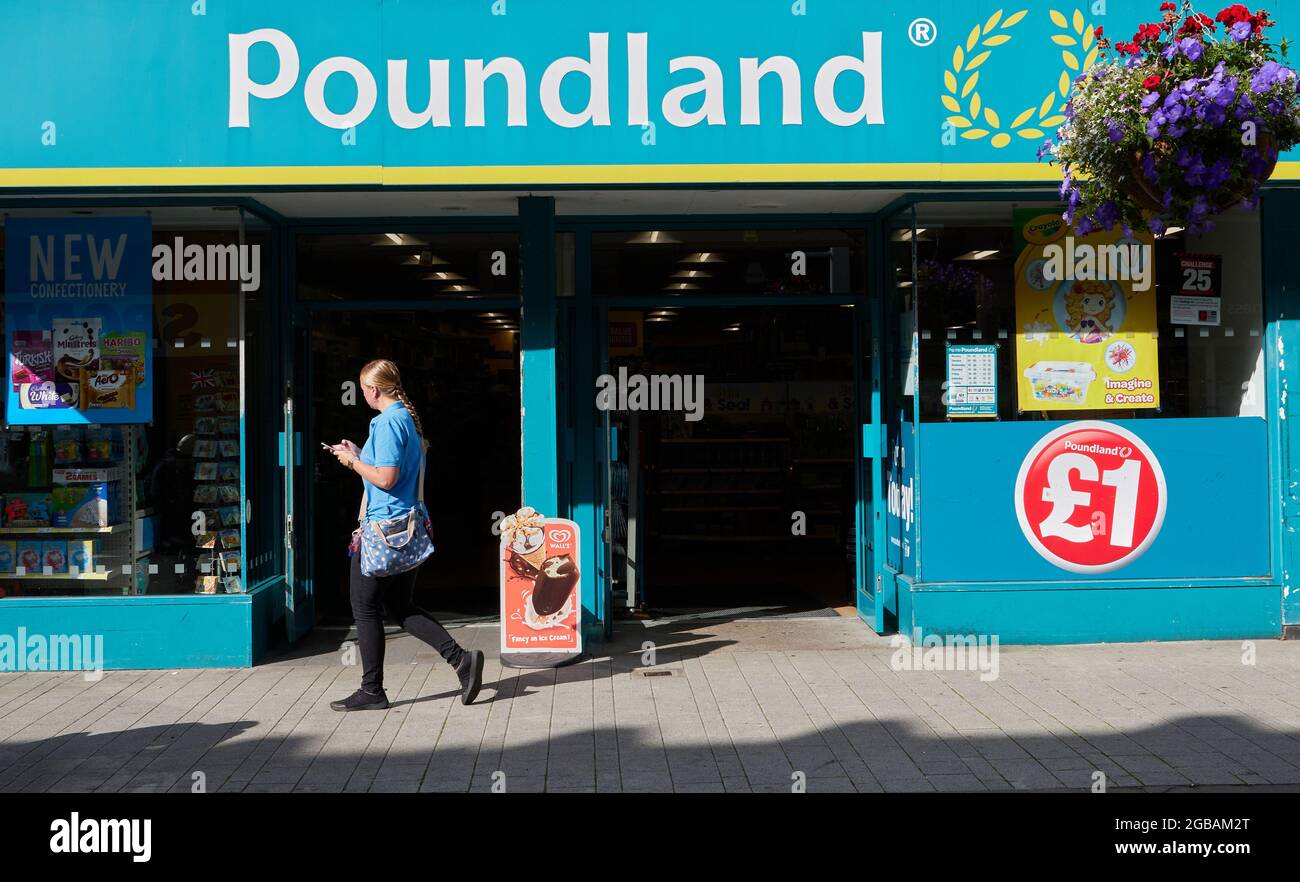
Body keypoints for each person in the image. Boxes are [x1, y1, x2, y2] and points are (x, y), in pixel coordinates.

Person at [326, 359, 484, 711]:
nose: (363, 394)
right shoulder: (406, 419)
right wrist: (359, 453)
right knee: (399, 604)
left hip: (385, 529)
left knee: (364, 607)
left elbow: (385, 479)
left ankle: (372, 690)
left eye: (364, 388)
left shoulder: (386, 422)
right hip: (407, 527)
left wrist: (351, 463)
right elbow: (389, 469)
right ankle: (461, 660)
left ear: (375, 389)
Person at [146, 433, 197, 594]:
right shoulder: (181, 465)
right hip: (182, 514)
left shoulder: (164, 464)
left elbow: (154, 491)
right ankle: (184, 580)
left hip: (173, 515)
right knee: (186, 548)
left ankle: (175, 581)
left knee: (175, 549)